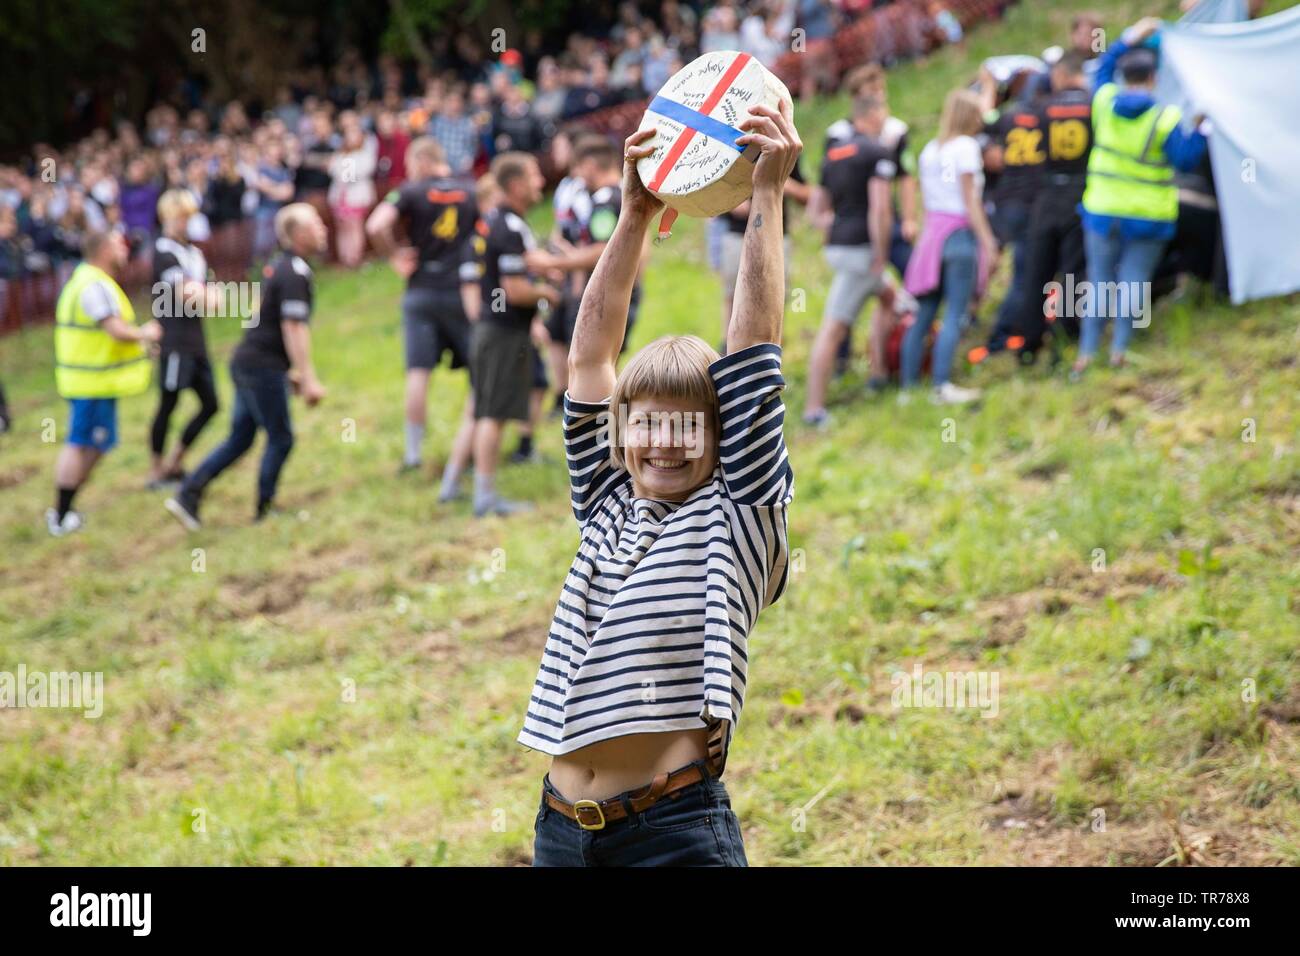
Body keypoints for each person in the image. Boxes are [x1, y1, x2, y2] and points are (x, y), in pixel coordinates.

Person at [524, 101, 799, 868]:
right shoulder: (608, 500)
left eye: (690, 426)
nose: (664, 443)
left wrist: (767, 197)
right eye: (646, 423)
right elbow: (588, 362)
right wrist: (634, 218)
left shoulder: (738, 513)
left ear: (723, 437)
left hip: (671, 834)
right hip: (559, 832)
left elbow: (752, 353)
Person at [164, 204, 328, 530]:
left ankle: (188, 493)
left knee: (241, 437)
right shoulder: (293, 271)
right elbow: (292, 328)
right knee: (281, 438)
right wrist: (307, 378)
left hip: (249, 362)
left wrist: (288, 371)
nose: (323, 228)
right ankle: (265, 511)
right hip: (259, 367)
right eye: (315, 224)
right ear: (297, 234)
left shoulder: (281, 267)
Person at [1073, 17, 1207, 376]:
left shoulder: (1103, 100)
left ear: (1124, 77)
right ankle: (1119, 351)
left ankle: (1086, 355)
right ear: (1154, 79)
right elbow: (1186, 159)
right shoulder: (1165, 118)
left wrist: (1130, 36)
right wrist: (1202, 126)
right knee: (1132, 282)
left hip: (1102, 210)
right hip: (1147, 216)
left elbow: (1102, 66)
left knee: (1098, 281)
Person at [365, 137, 478, 479]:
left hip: (421, 292)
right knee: (478, 370)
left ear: (422, 161)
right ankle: (471, 442)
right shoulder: (469, 190)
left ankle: (413, 455)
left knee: (418, 374)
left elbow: (375, 224)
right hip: (463, 291)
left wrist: (394, 254)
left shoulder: (409, 191)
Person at [48, 229, 162, 536]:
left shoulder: (90, 280)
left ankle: (65, 509)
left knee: (94, 444)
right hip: (90, 382)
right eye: (117, 244)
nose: (124, 249)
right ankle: (60, 514)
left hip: (93, 381)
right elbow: (114, 329)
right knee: (81, 443)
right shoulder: (93, 285)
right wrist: (146, 334)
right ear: (102, 250)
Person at [469, 151, 561, 517]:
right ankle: (485, 498)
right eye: (535, 175)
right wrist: (549, 294)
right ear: (517, 184)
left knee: (490, 412)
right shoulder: (507, 227)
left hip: (499, 329)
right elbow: (514, 291)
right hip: (502, 332)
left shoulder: (504, 222)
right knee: (493, 415)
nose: (541, 182)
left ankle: (480, 493)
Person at [803, 94, 899, 425]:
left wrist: (836, 226)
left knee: (892, 300)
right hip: (863, 251)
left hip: (839, 247)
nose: (886, 116)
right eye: (884, 109)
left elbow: (816, 211)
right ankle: (813, 409)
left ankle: (879, 372)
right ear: (871, 114)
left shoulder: (833, 154)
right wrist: (882, 254)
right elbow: (881, 210)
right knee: (834, 328)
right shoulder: (876, 151)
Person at [900, 88, 998, 404]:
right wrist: (988, 242)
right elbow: (970, 200)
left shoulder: (931, 149)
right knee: (955, 311)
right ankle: (941, 385)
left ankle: (908, 388)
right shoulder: (967, 147)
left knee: (924, 314)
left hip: (932, 238)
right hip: (958, 236)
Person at [1012, 50, 1094, 363]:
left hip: (1046, 196)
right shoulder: (1093, 106)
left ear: (1060, 75)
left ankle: (1029, 341)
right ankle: (1068, 332)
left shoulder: (1041, 109)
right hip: (1081, 193)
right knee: (1073, 270)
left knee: (1038, 271)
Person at [147, 190, 221, 489]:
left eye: (187, 217)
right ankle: (156, 470)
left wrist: (206, 295)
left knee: (211, 404)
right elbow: (188, 294)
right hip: (175, 340)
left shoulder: (193, 253)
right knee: (169, 403)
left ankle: (176, 460)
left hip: (195, 338)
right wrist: (206, 295)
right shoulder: (164, 251)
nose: (184, 223)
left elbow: (204, 293)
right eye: (179, 217)